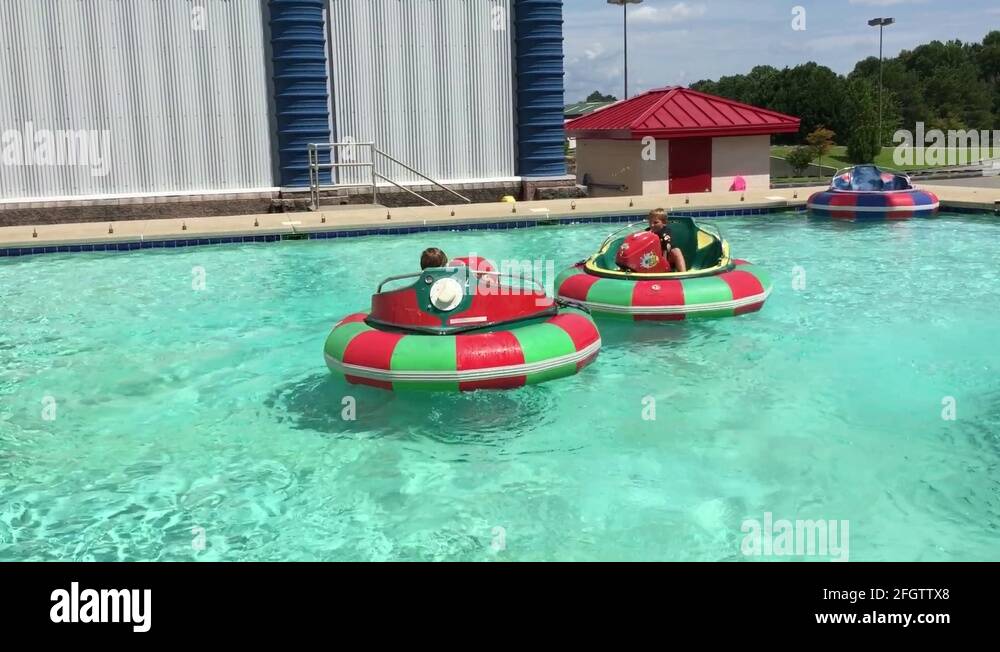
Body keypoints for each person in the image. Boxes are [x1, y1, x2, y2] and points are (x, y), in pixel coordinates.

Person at [646, 208, 686, 273]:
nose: (652, 225)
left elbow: (667, 246)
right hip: (652, 259)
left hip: (666, 259)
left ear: (664, 223)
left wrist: (663, 264)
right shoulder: (648, 232)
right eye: (650, 222)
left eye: (655, 222)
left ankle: (683, 273)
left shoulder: (665, 232)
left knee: (676, 251)